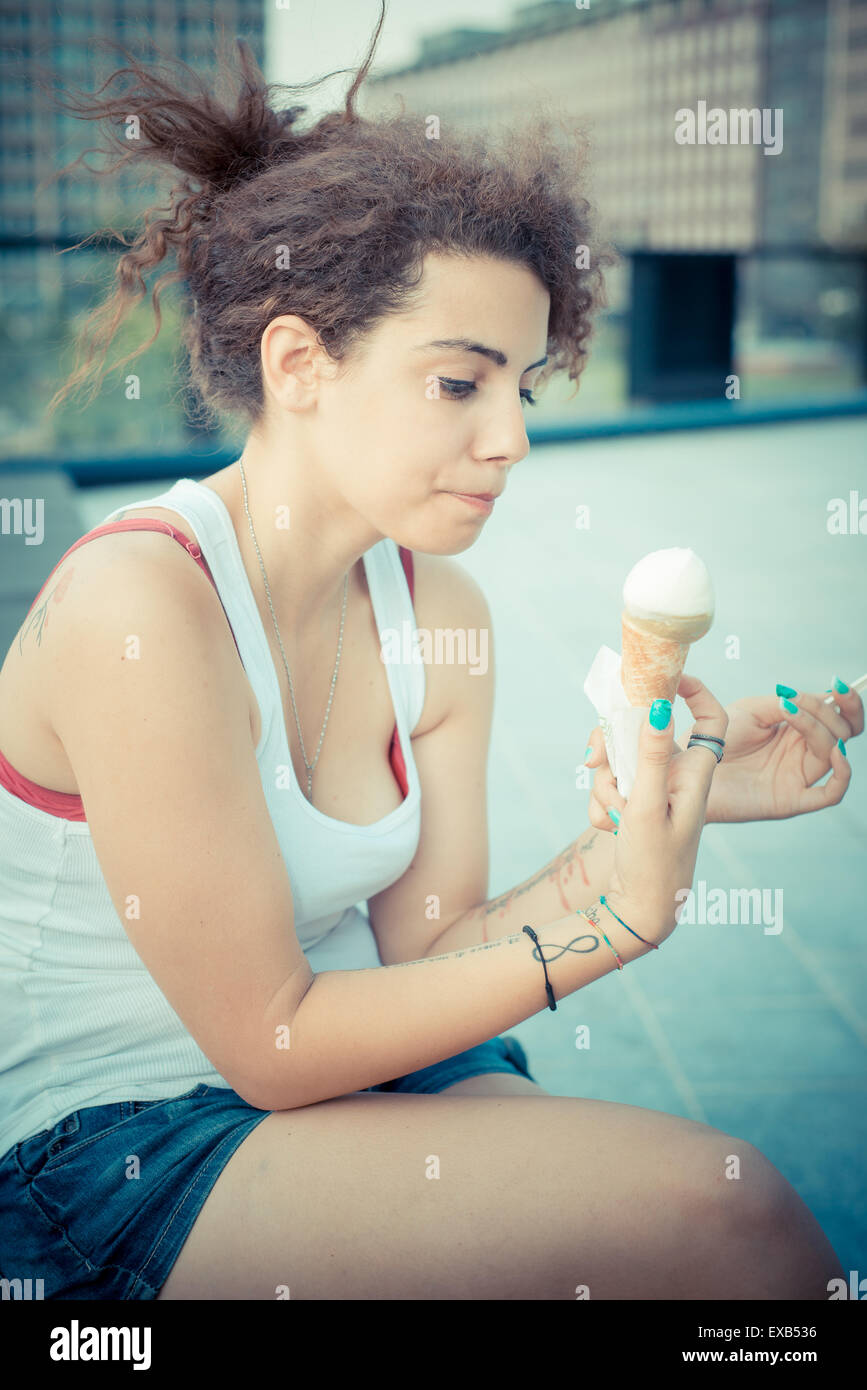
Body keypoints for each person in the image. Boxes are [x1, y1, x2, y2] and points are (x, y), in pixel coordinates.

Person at [0, 3, 860, 1300]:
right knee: (719, 1221)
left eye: (525, 379)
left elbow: (432, 954)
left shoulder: (437, 610)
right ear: (299, 362)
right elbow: (273, 1042)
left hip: (359, 1061)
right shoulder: (143, 606)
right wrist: (616, 925)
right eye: (462, 381)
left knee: (713, 1238)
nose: (514, 434)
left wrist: (640, 820)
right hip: (111, 1145)